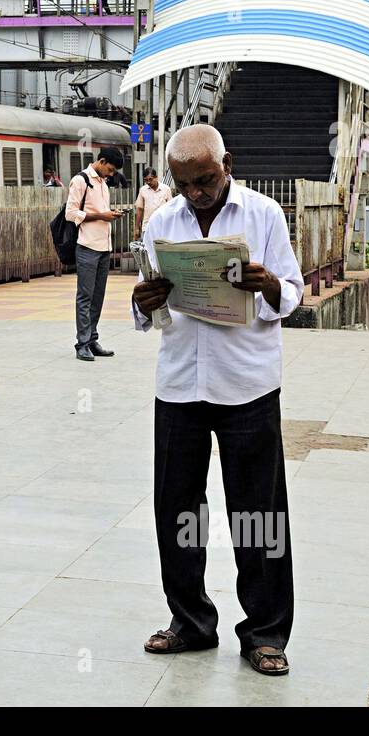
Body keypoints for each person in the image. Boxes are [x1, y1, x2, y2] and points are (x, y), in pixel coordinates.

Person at [131, 124, 303, 676]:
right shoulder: (163, 221)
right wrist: (144, 302)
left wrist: (267, 284)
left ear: (227, 162)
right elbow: (149, 319)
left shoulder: (264, 215)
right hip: (180, 383)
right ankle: (190, 622)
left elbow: (294, 294)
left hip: (247, 385)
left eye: (205, 180)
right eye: (185, 185)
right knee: (177, 510)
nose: (197, 194)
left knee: (259, 513)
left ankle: (265, 632)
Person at [65, 145, 126, 361]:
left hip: (104, 247)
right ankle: (82, 343)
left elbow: (99, 212)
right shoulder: (81, 180)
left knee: (98, 297)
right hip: (87, 246)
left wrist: (109, 215)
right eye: (110, 170)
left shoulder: (103, 183)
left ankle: (92, 339)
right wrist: (101, 216)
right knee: (85, 296)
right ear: (100, 162)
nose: (111, 174)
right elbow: (70, 213)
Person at [134, 167, 173, 235]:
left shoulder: (166, 189)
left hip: (163, 226)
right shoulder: (143, 190)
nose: (148, 182)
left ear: (156, 177)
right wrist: (137, 228)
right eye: (146, 180)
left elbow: (171, 208)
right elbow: (139, 209)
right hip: (147, 227)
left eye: (150, 179)